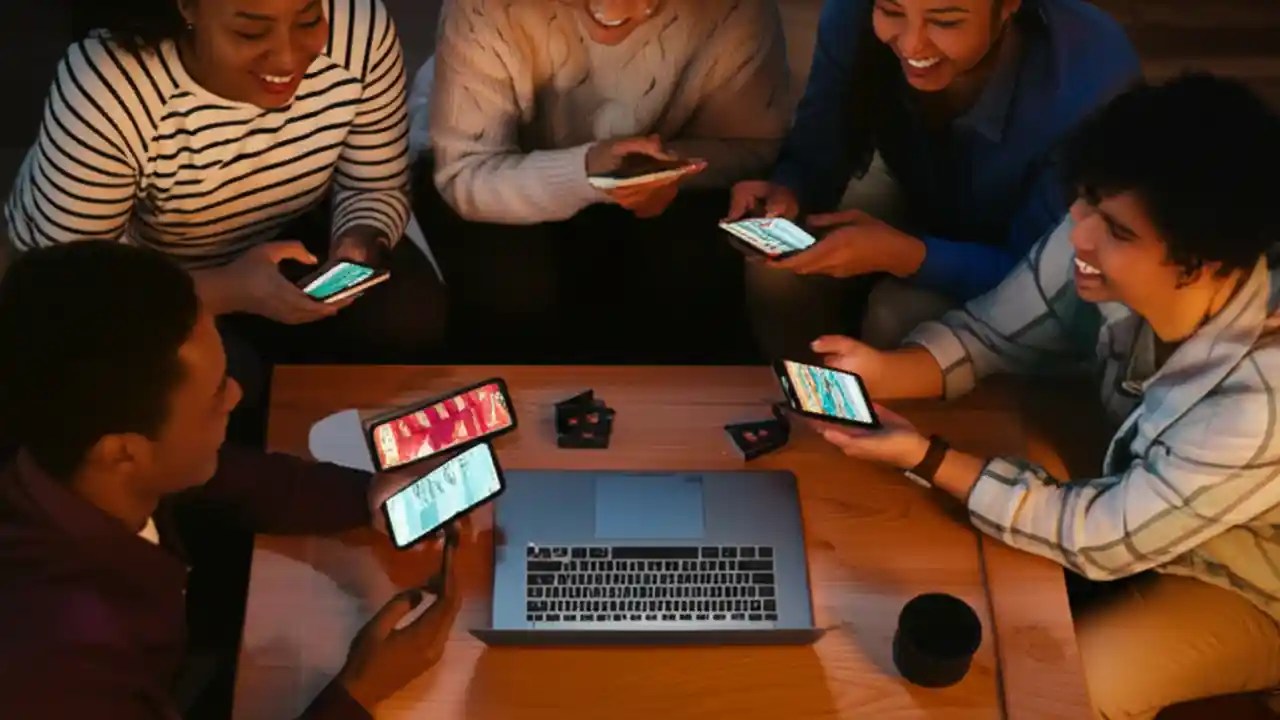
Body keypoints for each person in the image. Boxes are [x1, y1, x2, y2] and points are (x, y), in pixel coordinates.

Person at [803, 75, 1280, 718]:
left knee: (1076, 685)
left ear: (1204, 263)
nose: (1078, 234)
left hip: (1247, 576)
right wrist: (883, 371)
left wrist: (927, 457)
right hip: (1134, 465)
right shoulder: (1092, 233)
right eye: (1084, 201)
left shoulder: (1256, 403)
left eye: (1117, 231)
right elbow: (990, 332)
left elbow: (1100, 538)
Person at [0, 241, 462, 719]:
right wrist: (360, 691)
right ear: (123, 452)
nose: (237, 395)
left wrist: (365, 495)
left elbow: (231, 477)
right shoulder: (61, 671)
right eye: (216, 392)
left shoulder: (65, 443)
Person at [4, 0, 446, 385]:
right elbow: (74, 287)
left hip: (284, 240)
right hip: (137, 278)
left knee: (408, 314)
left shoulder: (360, 30)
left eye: (309, 19)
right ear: (188, 7)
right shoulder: (111, 84)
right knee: (218, 379)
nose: (288, 56)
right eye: (249, 31)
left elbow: (374, 183)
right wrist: (229, 290)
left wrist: (358, 241)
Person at [727, 0, 1140, 358]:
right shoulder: (852, 15)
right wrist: (787, 192)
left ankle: (894, 434)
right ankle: (816, 412)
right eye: (891, 11)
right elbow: (820, 146)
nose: (911, 44)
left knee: (899, 316)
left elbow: (1043, 278)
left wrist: (903, 254)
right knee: (776, 272)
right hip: (915, 191)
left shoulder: (1088, 74)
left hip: (1039, 261)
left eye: (945, 21)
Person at [409, 0, 792, 362]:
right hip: (499, 180)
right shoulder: (486, 9)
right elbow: (466, 173)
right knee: (508, 285)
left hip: (667, 191)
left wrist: (664, 170)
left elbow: (752, 145)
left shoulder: (736, 11)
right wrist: (585, 172)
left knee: (692, 274)